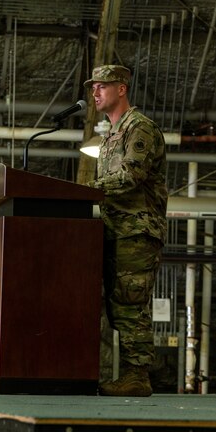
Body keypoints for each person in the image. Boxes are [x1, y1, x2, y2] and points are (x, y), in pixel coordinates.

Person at [84, 65, 168, 397]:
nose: (95, 92)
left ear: (121, 89)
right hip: (115, 230)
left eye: (102, 86)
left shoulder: (140, 128)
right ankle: (125, 373)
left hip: (136, 232)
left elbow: (131, 176)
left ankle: (138, 375)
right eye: (93, 87)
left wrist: (88, 189)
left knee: (131, 306)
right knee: (116, 307)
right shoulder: (111, 136)